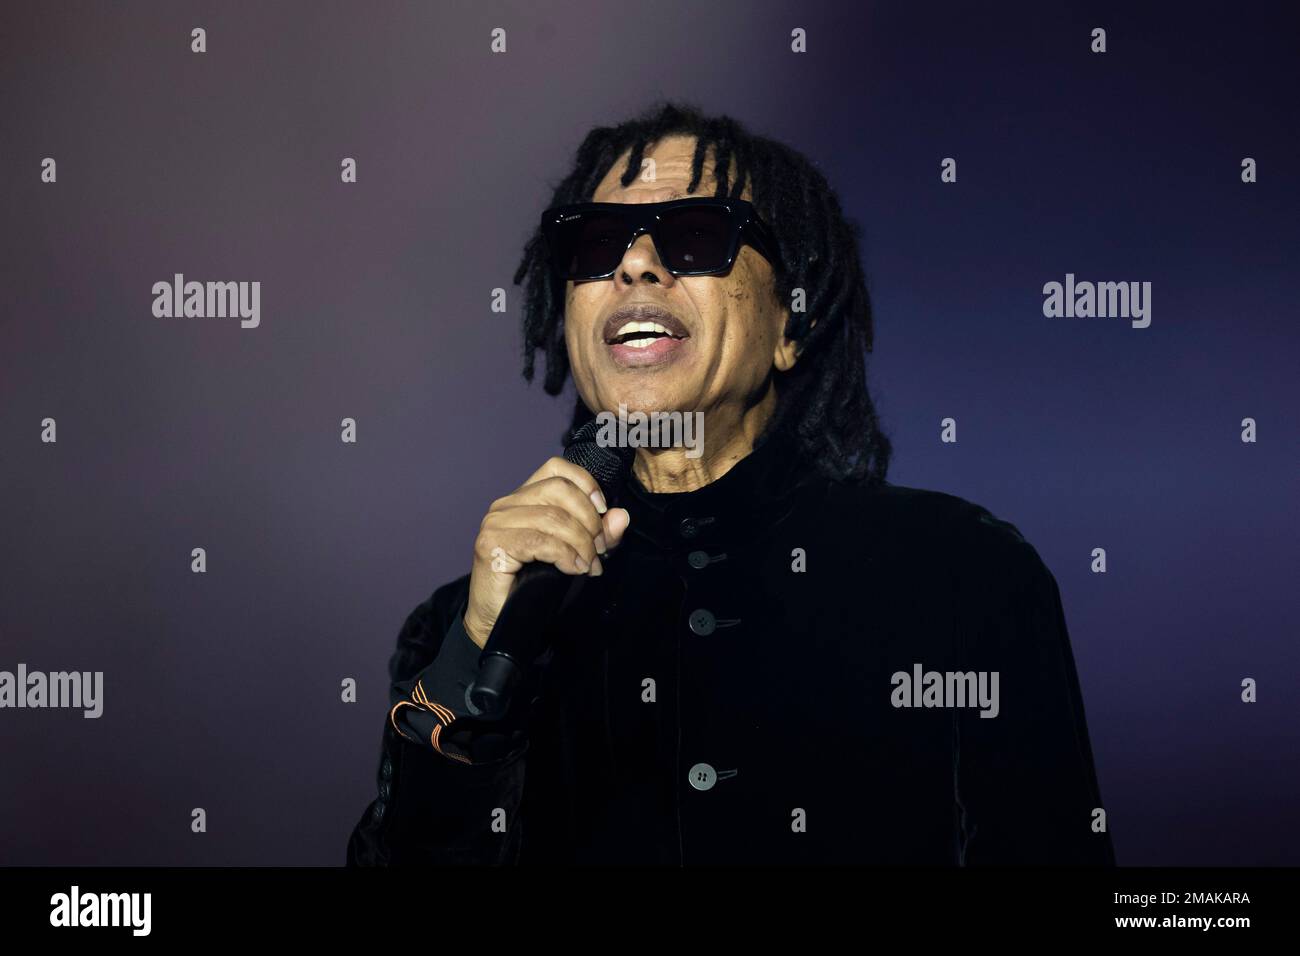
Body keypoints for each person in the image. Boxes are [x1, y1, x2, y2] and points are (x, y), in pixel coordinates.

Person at [346, 101, 1115, 866]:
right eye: (597, 242)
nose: (635, 264)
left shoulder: (961, 575)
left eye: (695, 236)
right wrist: (474, 656)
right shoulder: (465, 621)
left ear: (791, 325)